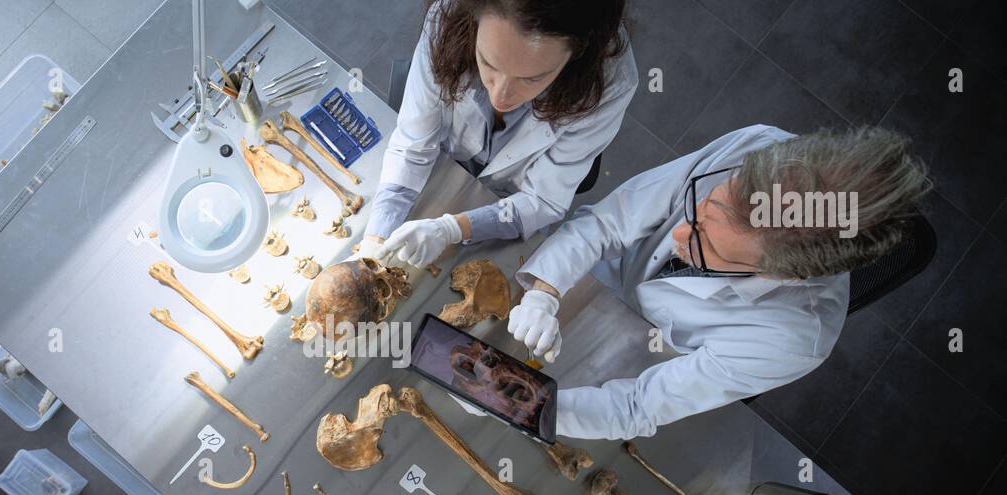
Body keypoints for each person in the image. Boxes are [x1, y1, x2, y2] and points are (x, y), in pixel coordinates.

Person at [504, 124, 931, 440]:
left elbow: (636, 405)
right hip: (585, 274)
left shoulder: (793, 339)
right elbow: (608, 224)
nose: (678, 235)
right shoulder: (757, 147)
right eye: (702, 208)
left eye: (709, 245)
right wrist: (544, 292)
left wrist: (522, 403)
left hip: (637, 361)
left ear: (780, 275)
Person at [362, 0, 637, 268]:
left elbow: (542, 200)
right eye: (488, 63)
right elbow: (412, 146)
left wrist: (452, 229)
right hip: (451, 150)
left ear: (577, 52)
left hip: (513, 193)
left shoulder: (608, 86)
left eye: (531, 79)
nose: (500, 96)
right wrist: (375, 239)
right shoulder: (448, 17)